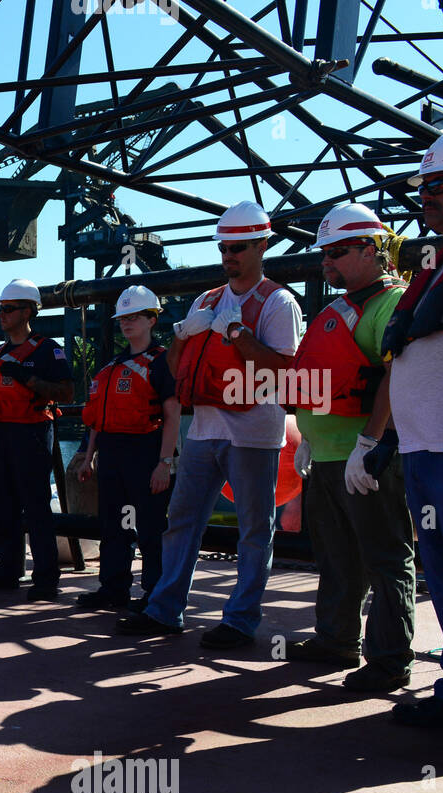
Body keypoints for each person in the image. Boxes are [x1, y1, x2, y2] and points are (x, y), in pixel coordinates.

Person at [117, 201, 303, 647]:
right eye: (224, 246)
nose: (229, 255)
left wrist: (238, 334)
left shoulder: (279, 302)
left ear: (262, 245)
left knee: (255, 530)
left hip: (254, 434)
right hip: (203, 430)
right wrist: (182, 334)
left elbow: (283, 370)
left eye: (239, 246)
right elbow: (178, 370)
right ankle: (164, 611)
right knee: (181, 521)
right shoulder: (207, 301)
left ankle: (240, 621)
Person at [358, 130, 443, 761]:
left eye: (440, 185)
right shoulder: (435, 269)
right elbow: (409, 356)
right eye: (423, 186)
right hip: (425, 453)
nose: (426, 196)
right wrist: (385, 441)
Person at [283, 203, 414, 692]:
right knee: (337, 556)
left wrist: (370, 441)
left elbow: (395, 373)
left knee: (385, 556)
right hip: (327, 455)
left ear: (371, 249)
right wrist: (309, 441)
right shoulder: (339, 307)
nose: (326, 262)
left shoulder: (392, 302)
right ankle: (337, 640)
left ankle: (390, 660)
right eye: (324, 254)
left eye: (337, 252)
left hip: (368, 458)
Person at [75, 285, 179, 611]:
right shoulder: (112, 366)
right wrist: (88, 458)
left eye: (134, 316)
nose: (126, 322)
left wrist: (165, 463)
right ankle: (114, 588)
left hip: (145, 450)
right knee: (115, 523)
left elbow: (172, 413)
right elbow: (97, 418)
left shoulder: (162, 363)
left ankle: (155, 594)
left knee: (150, 526)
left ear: (152, 319)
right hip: (112, 453)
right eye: (123, 317)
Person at [0, 279, 74, 600]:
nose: (2, 314)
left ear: (28, 311)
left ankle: (46, 577)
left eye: (9, 309)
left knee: (36, 506)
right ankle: (7, 569)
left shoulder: (47, 350)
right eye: (1, 308)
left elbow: (67, 392)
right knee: (4, 504)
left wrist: (27, 378)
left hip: (31, 433)